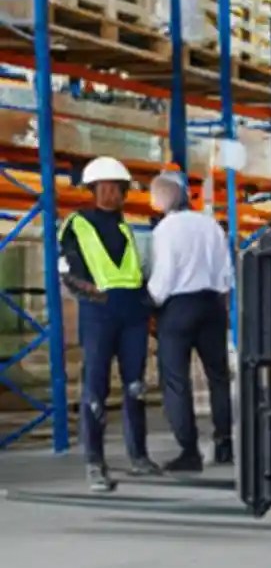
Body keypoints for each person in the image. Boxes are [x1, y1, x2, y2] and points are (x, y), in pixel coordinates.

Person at [59, 156, 162, 492]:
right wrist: (97, 297)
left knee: (135, 387)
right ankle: (94, 463)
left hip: (132, 313)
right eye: (108, 188)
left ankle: (139, 456)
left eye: (118, 188)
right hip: (99, 314)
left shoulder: (126, 227)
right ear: (94, 189)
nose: (114, 194)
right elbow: (68, 273)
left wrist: (147, 306)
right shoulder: (77, 224)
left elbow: (138, 272)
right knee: (95, 390)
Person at [145, 171, 235, 472]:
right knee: (218, 377)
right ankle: (225, 443)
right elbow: (226, 273)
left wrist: (150, 306)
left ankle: (189, 451)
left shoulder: (165, 231)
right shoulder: (211, 225)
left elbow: (164, 276)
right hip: (212, 304)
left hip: (178, 308)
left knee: (176, 382)